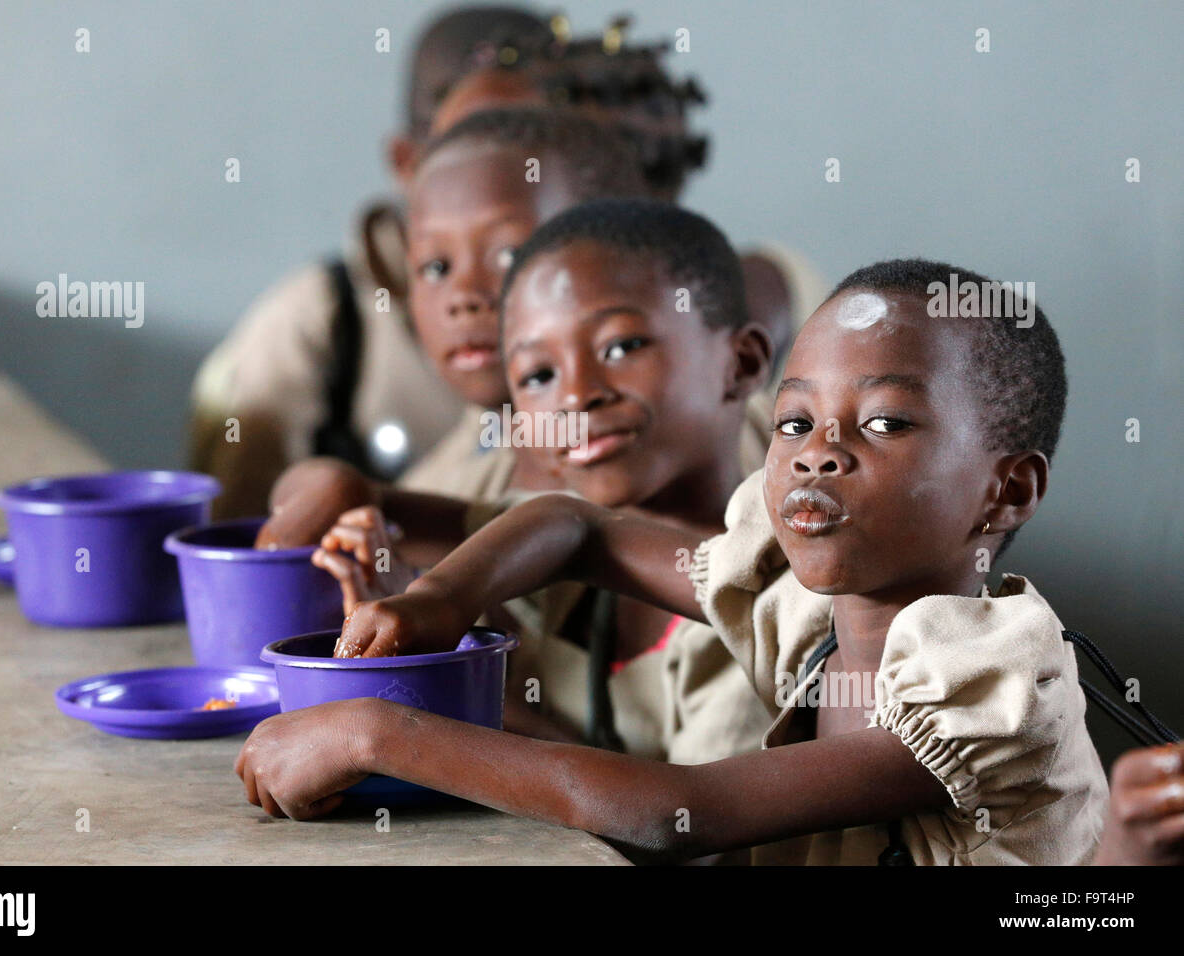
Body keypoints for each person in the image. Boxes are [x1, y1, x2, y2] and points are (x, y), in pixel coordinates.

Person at [236, 258, 1109, 865]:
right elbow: (580, 527)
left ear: (1007, 492)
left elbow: (678, 814)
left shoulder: (993, 681)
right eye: (797, 422)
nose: (816, 454)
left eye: (885, 424)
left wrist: (372, 731)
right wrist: (438, 597)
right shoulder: (800, 611)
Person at [321, 201, 783, 774]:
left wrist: (467, 709)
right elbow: (354, 501)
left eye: (620, 347)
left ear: (741, 363)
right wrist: (389, 581)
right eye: (540, 376)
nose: (576, 396)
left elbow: (676, 827)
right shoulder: (535, 544)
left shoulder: (768, 600)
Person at [189, 6, 556, 517]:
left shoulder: (580, 336)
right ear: (407, 161)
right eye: (469, 147)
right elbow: (240, 538)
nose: (468, 295)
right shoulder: (319, 322)